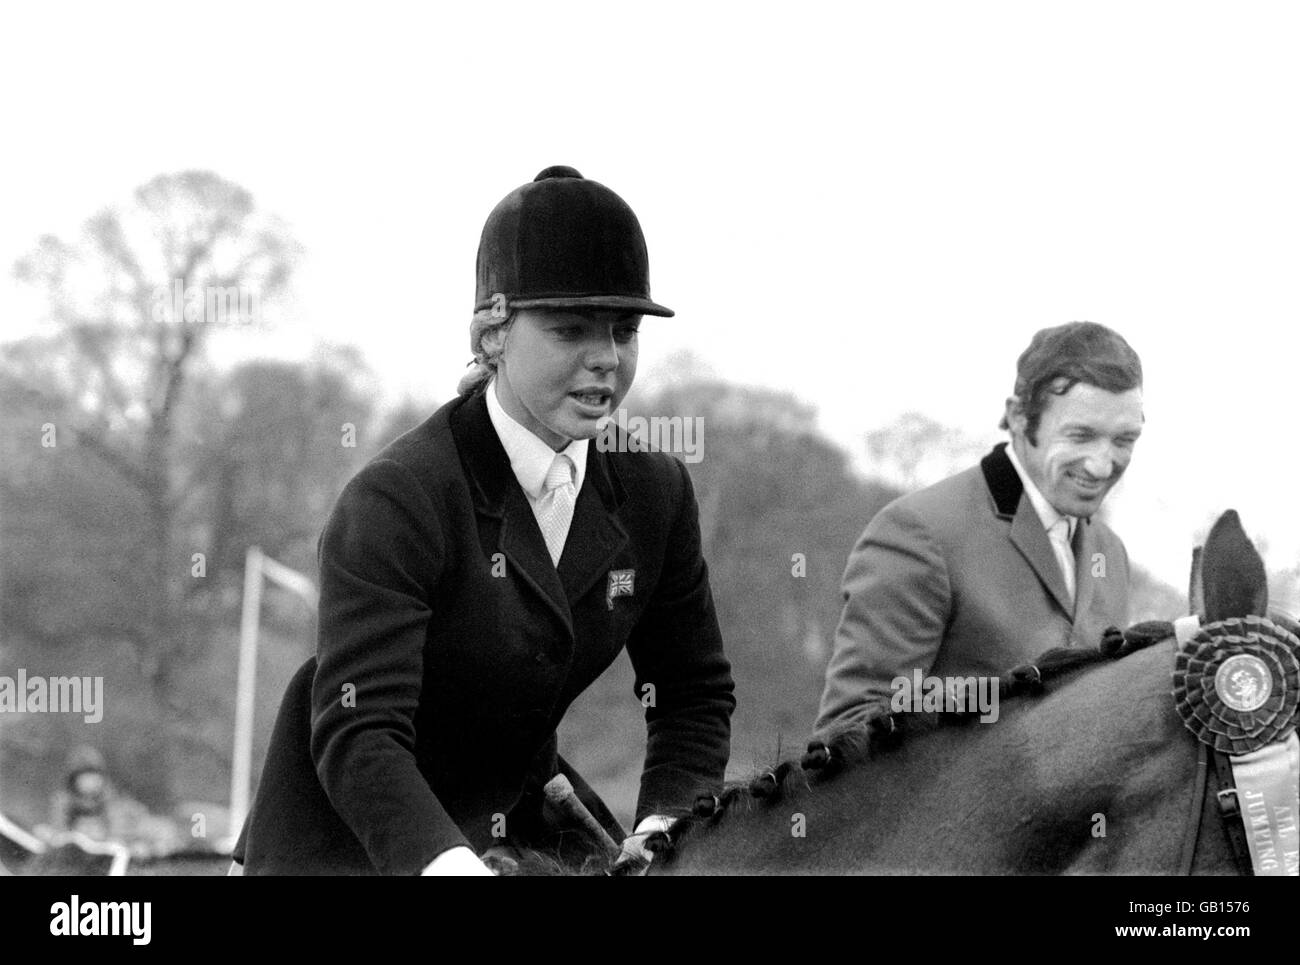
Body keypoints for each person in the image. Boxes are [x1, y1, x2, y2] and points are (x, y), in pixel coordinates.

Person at [232, 166, 735, 875]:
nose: (607, 359)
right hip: (357, 829)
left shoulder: (658, 492)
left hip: (528, 812)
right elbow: (359, 730)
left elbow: (693, 693)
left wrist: (666, 824)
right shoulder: (397, 498)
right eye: (571, 330)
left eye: (624, 331)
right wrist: (450, 867)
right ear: (493, 333)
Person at [815, 322, 1143, 739]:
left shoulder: (1110, 553)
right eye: (1081, 436)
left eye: (1124, 440)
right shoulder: (919, 533)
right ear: (1019, 418)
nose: (1102, 464)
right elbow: (851, 728)